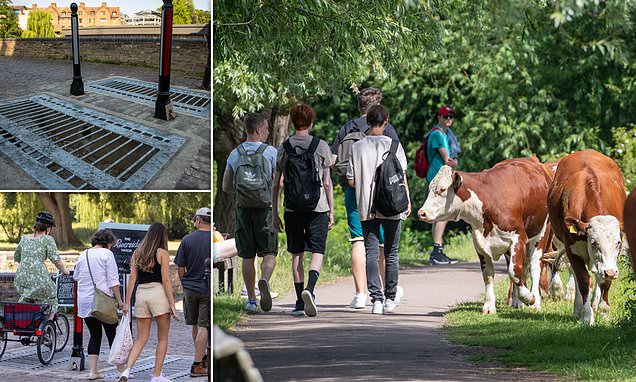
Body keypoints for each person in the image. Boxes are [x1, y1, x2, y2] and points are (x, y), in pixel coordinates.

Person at [331, 87, 402, 309]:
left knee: (359, 240)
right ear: (378, 109)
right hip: (385, 195)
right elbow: (400, 168)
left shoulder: (346, 128)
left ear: (359, 106)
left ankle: (362, 293)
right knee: (385, 246)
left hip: (357, 194)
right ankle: (386, 292)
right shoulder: (387, 130)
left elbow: (334, 160)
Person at [347, 105, 411, 314]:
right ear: (386, 122)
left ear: (367, 122)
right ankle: (390, 298)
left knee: (371, 252)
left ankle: (375, 299)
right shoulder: (394, 145)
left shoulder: (357, 147)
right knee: (391, 252)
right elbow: (402, 176)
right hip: (392, 205)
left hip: (366, 206)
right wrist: (407, 201)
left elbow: (351, 180)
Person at [272, 103, 334, 317]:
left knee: (296, 254)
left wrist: (275, 213)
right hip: (318, 207)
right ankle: (310, 288)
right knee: (318, 251)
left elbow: (276, 183)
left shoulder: (284, 147)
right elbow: (327, 183)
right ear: (311, 122)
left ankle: (299, 301)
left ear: (292, 121)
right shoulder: (321, 146)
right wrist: (332, 211)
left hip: (291, 207)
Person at [222, 112, 279, 313]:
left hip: (243, 209)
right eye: (266, 128)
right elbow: (278, 182)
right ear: (257, 129)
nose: (268, 131)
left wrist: (243, 188)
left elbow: (225, 186)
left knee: (247, 255)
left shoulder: (235, 153)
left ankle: (252, 300)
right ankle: (264, 280)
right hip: (266, 209)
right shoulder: (271, 152)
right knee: (270, 252)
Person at [118, 223, 179, 382]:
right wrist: (172, 304)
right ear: (162, 236)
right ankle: (157, 376)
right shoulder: (162, 253)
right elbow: (166, 280)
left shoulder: (137, 252)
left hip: (141, 294)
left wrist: (126, 303)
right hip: (157, 293)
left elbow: (132, 278)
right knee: (162, 337)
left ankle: (126, 370)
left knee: (141, 338)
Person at [73, 229, 124, 380]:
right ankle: (121, 370)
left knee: (95, 335)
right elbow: (113, 280)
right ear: (108, 242)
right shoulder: (107, 254)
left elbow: (76, 276)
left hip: (85, 301)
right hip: (103, 301)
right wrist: (120, 300)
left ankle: (93, 371)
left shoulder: (84, 254)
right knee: (112, 334)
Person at [175, 207, 211, 378]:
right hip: (207, 287)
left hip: (190, 288)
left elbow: (180, 267)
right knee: (204, 325)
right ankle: (198, 364)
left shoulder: (187, 239)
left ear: (198, 220)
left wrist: (185, 283)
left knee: (196, 325)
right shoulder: (215, 239)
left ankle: (202, 359)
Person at [14, 211, 70, 318]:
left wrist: (28, 263)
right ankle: (48, 325)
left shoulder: (24, 238)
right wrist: (65, 271)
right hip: (39, 279)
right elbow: (56, 259)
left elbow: (17, 256)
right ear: (48, 228)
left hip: (20, 278)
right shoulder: (47, 239)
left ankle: (24, 322)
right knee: (52, 297)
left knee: (27, 297)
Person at [426, 105, 460, 265]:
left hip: (441, 177)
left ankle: (436, 251)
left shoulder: (444, 134)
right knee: (443, 212)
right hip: (438, 178)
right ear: (439, 117)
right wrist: (455, 163)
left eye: (451, 116)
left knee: (438, 213)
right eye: (445, 116)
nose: (449, 119)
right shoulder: (438, 135)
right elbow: (447, 159)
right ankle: (437, 250)